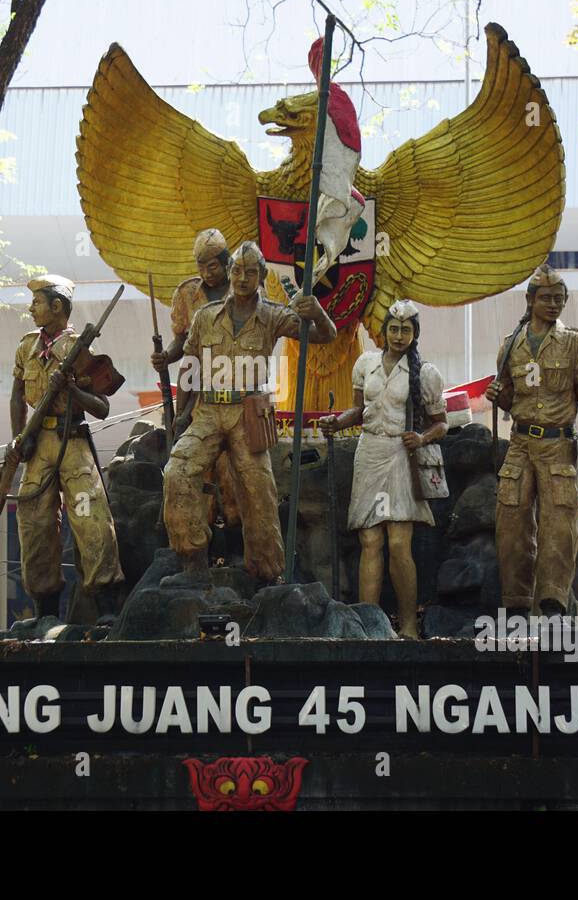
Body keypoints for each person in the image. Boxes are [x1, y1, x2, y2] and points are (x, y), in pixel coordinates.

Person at [163, 241, 336, 583]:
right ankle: (193, 563)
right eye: (237, 271)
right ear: (229, 273)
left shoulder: (273, 314)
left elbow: (325, 336)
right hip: (208, 410)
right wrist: (180, 414)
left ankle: (268, 574)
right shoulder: (205, 317)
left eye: (251, 272)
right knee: (176, 473)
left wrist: (317, 312)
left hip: (250, 413)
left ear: (262, 277)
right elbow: (190, 364)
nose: (243, 278)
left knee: (259, 493)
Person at [485, 264, 578, 618]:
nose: (553, 304)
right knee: (512, 520)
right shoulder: (511, 347)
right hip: (521, 443)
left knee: (559, 520)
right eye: (546, 298)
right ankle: (517, 599)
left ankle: (552, 598)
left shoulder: (575, 344)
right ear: (530, 300)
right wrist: (499, 396)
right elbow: (511, 402)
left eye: (560, 299)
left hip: (558, 445)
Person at [319, 299, 447, 638]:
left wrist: (421, 439)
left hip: (401, 456)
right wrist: (337, 421)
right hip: (370, 452)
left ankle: (407, 626)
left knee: (399, 542)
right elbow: (359, 410)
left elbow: (441, 424)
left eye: (406, 329)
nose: (399, 335)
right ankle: (368, 624)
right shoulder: (366, 364)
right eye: (394, 328)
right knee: (370, 540)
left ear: (414, 333)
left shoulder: (427, 374)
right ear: (385, 331)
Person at [6, 275, 125, 620]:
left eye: (37, 303)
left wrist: (72, 391)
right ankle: (46, 613)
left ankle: (105, 606)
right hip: (37, 445)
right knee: (34, 522)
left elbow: (102, 408)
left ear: (57, 307)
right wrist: (19, 437)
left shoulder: (80, 351)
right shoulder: (27, 346)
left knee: (91, 519)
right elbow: (16, 395)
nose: (31, 309)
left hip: (72, 442)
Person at [151, 228, 241, 526]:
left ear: (227, 263)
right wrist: (166, 357)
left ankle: (235, 531)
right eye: (200, 267)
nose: (206, 273)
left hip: (234, 388)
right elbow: (182, 345)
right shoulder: (187, 293)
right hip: (194, 386)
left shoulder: (244, 289)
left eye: (212, 266)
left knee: (232, 473)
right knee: (195, 466)